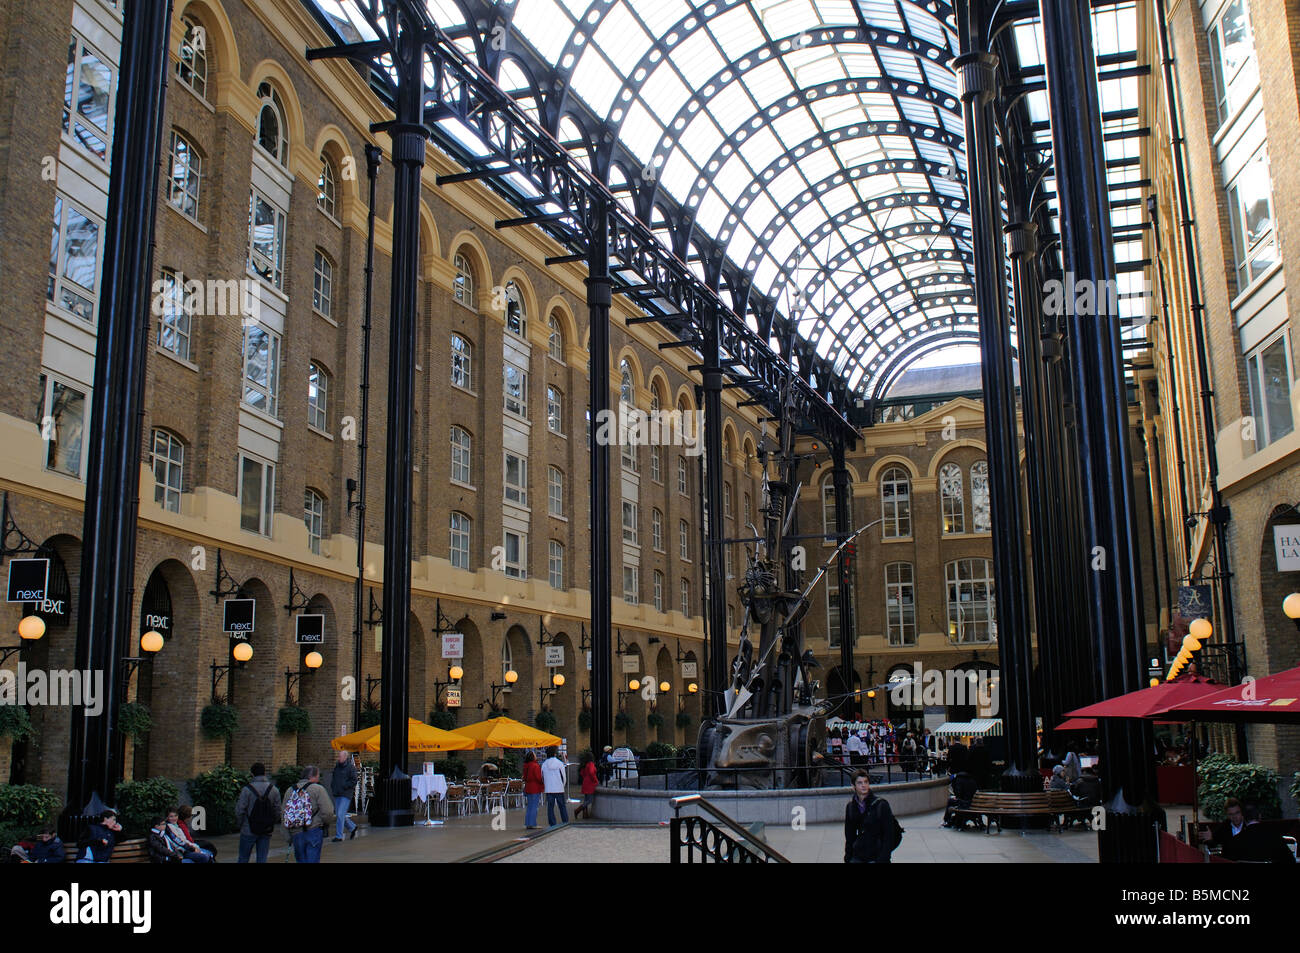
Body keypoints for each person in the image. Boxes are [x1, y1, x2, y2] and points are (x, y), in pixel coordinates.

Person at [843, 770, 900, 863]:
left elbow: (889, 834)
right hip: (858, 855)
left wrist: (884, 857)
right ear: (853, 786)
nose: (863, 785)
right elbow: (849, 835)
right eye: (860, 783)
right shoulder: (850, 807)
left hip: (877, 856)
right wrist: (848, 857)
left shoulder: (881, 805)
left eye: (866, 782)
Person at [283, 765, 335, 863]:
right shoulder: (318, 789)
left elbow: (284, 814)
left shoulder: (290, 790)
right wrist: (325, 823)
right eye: (318, 776)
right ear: (313, 776)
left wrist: (287, 835)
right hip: (313, 829)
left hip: (296, 832)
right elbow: (328, 812)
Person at [235, 762, 282, 863]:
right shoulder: (274, 790)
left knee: (243, 858)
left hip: (248, 829)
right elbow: (278, 810)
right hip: (266, 829)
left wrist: (240, 824)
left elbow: (240, 810)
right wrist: (271, 822)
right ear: (264, 773)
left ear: (252, 774)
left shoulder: (246, 790)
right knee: (262, 858)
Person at [330, 749, 358, 842]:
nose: (339, 758)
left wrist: (345, 786)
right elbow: (334, 778)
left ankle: (339, 836)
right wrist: (333, 787)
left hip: (345, 794)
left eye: (340, 756)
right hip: (337, 793)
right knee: (339, 815)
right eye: (339, 756)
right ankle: (352, 827)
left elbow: (354, 780)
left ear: (345, 757)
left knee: (340, 814)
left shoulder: (351, 768)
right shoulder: (337, 767)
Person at [541, 746, 569, 826]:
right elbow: (564, 776)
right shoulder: (560, 764)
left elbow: (542, 777)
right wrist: (562, 785)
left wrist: (546, 785)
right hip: (559, 788)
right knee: (562, 806)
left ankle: (552, 823)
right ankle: (565, 821)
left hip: (549, 789)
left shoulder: (544, 765)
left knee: (550, 808)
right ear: (554, 754)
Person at [522, 750, 544, 829]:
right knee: (534, 806)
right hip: (535, 787)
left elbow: (524, 777)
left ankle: (528, 823)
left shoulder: (526, 765)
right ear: (532, 757)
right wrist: (542, 783)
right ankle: (533, 823)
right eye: (535, 755)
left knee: (529, 806)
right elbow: (538, 777)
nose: (536, 756)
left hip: (528, 787)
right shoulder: (535, 766)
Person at [575, 751, 599, 820]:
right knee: (590, 800)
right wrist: (595, 780)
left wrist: (586, 777)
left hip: (585, 782)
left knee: (586, 799)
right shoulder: (591, 764)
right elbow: (592, 773)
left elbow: (582, 773)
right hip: (590, 783)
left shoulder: (585, 764)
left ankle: (585, 815)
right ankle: (577, 810)